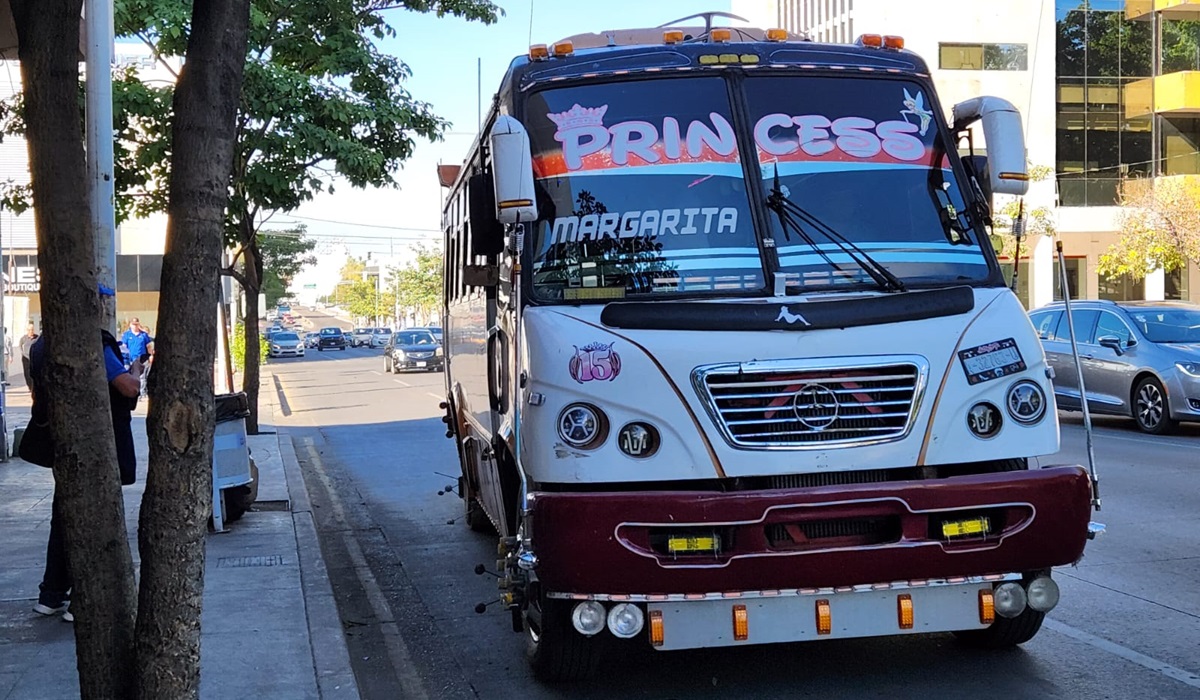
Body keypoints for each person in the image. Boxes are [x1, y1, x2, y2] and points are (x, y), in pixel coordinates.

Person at [31, 283, 144, 623]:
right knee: (94, 522)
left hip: (61, 443)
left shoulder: (41, 344)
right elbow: (127, 387)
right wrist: (136, 371)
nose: (104, 307)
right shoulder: (91, 342)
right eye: (100, 300)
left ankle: (52, 594)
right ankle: (84, 600)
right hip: (96, 446)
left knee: (64, 518)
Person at [20, 323, 38, 390]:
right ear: (27, 330)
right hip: (26, 358)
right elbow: (20, 345)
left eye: (32, 329)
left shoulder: (37, 338)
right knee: (27, 374)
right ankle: (29, 386)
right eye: (29, 330)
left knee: (34, 373)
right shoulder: (24, 338)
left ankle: (33, 387)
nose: (31, 331)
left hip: (34, 357)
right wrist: (22, 353)